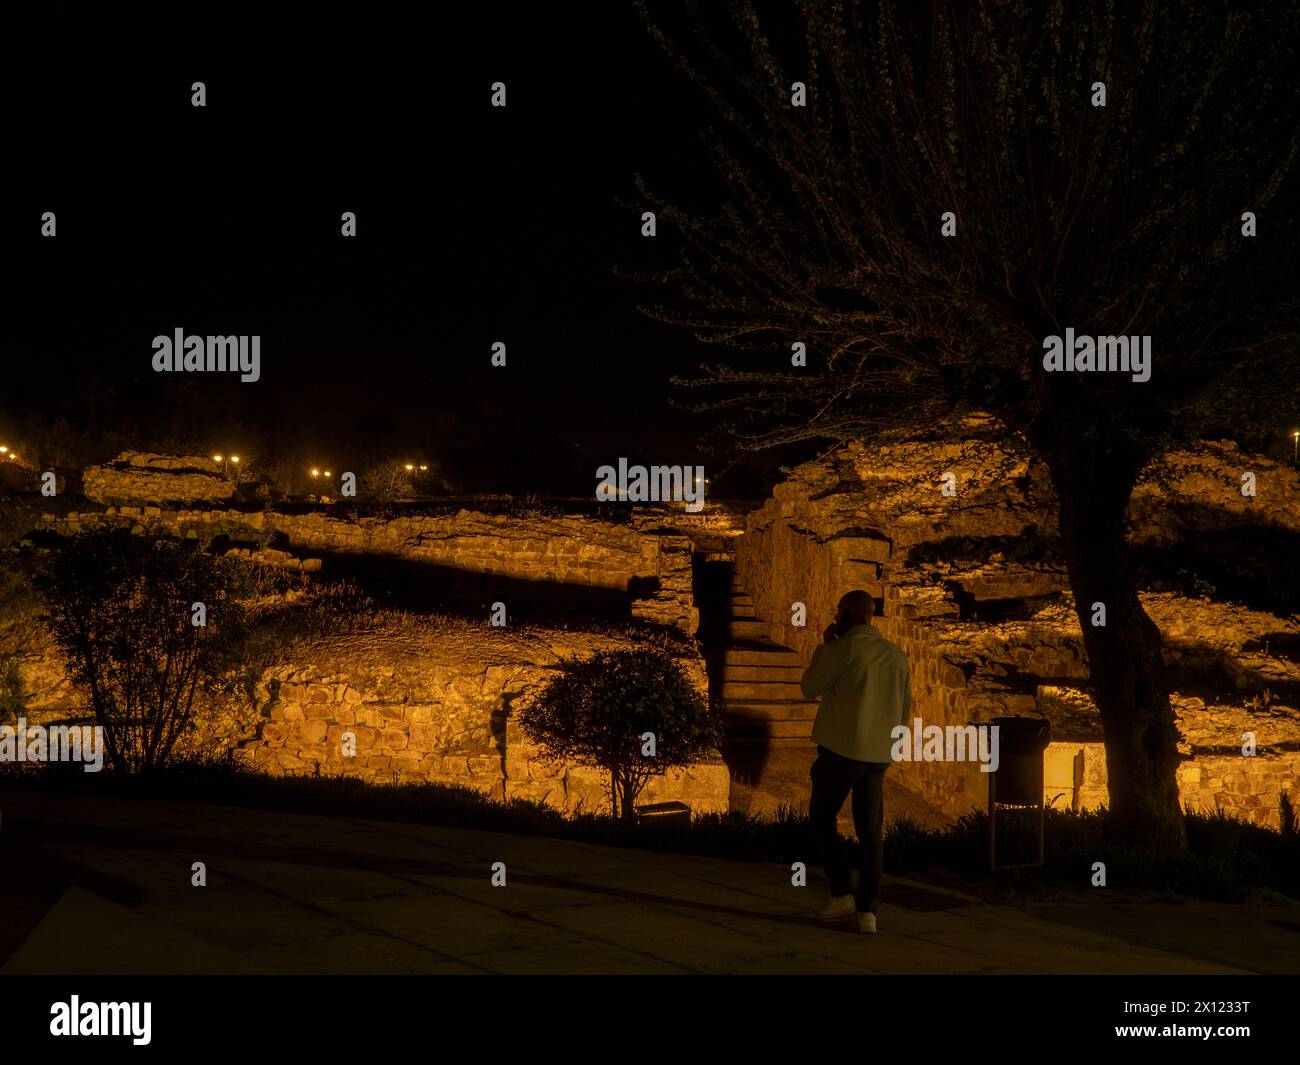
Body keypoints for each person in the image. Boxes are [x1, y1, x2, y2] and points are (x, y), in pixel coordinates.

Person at [800, 589, 911, 934]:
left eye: (838, 613)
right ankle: (868, 912)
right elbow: (904, 707)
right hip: (879, 754)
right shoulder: (897, 656)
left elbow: (809, 687)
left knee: (821, 817)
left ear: (846, 616)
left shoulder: (844, 648)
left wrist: (825, 646)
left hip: (843, 751)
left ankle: (841, 892)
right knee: (870, 833)